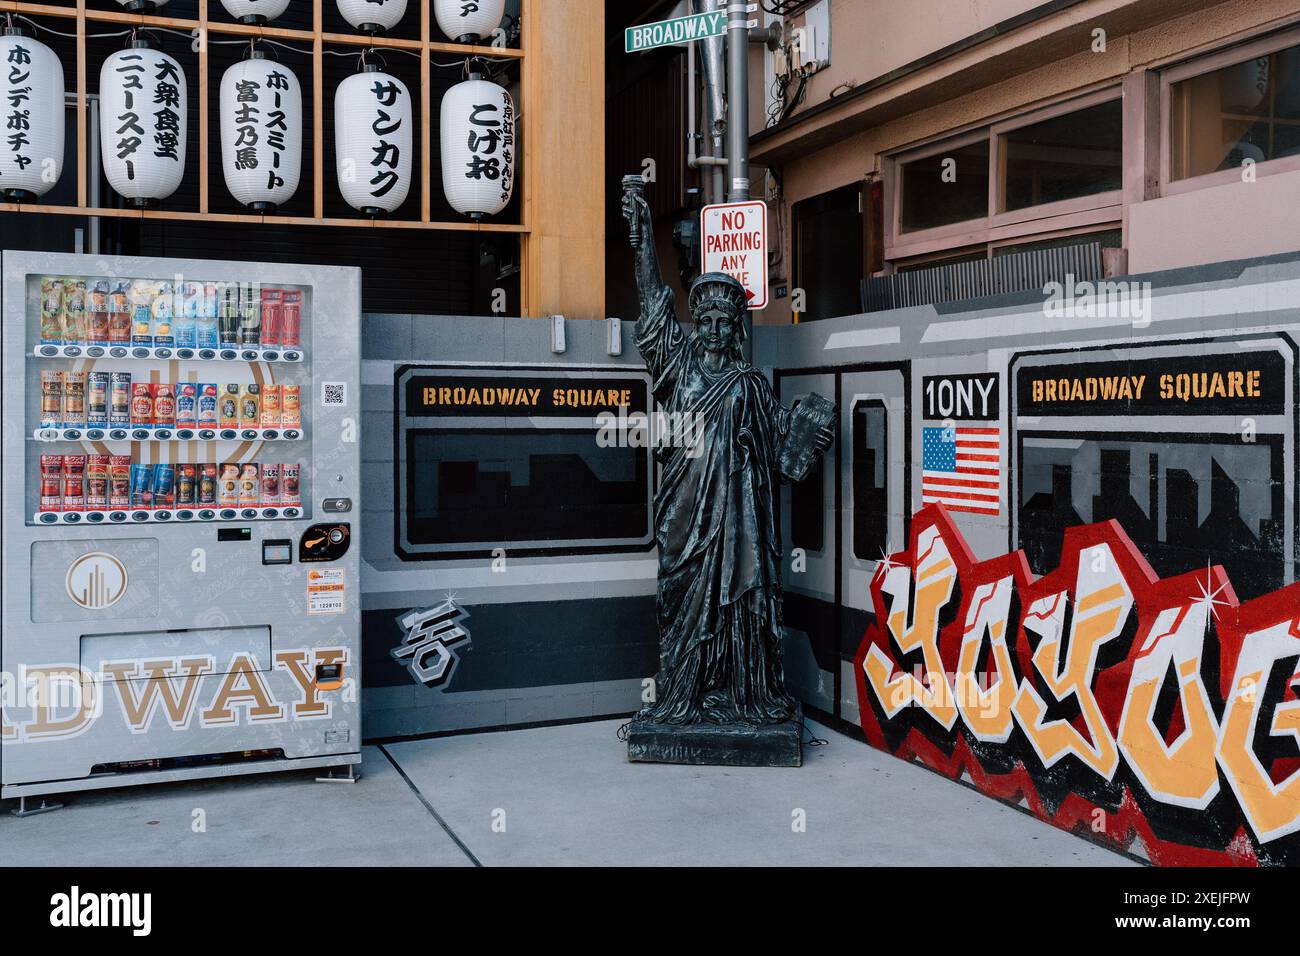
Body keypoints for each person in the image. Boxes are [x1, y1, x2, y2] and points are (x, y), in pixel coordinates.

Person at [622, 185, 834, 725]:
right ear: (697, 324)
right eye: (707, 320)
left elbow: (784, 452)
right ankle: (685, 699)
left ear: (735, 327)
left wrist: (811, 427)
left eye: (726, 321)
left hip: (739, 529)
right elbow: (651, 311)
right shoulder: (681, 371)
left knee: (741, 609)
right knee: (683, 610)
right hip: (686, 522)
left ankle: (744, 697)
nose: (716, 329)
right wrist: (643, 240)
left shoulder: (750, 384)